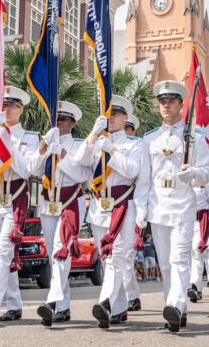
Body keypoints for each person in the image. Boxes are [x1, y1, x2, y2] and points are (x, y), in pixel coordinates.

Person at [135, 80, 209, 332]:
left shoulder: (196, 138)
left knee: (179, 259)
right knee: (166, 264)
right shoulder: (149, 139)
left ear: (181, 105)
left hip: (182, 205)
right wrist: (141, 209)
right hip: (158, 206)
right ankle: (178, 311)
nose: (165, 106)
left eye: (171, 101)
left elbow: (206, 173)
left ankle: (175, 306)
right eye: (162, 102)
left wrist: (193, 174)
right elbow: (144, 179)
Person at [0, 86, 45, 323]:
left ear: (21, 109)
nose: (7, 109)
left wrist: (9, 142)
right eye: (4, 104)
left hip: (16, 199)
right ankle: (14, 305)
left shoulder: (30, 138)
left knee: (5, 252)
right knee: (2, 254)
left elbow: (26, 170)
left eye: (12, 105)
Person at [85, 95, 149, 329]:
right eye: (107, 114)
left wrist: (111, 150)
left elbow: (133, 172)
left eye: (115, 114)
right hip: (99, 206)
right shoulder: (97, 141)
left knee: (117, 258)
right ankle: (119, 308)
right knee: (106, 259)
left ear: (125, 117)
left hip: (123, 206)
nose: (110, 118)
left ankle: (105, 302)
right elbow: (81, 162)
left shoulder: (136, 144)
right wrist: (94, 135)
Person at [36, 101, 92, 326]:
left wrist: (60, 152)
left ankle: (51, 303)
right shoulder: (47, 141)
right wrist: (44, 146)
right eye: (57, 119)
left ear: (72, 123)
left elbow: (81, 174)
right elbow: (33, 170)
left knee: (62, 251)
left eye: (64, 119)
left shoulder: (79, 146)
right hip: (49, 201)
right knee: (55, 256)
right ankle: (64, 306)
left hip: (71, 201)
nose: (59, 123)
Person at [188, 181, 209, 302]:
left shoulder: (207, 183)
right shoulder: (183, 179)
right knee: (188, 256)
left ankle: (194, 285)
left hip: (200, 222)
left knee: (197, 252)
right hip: (185, 222)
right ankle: (197, 288)